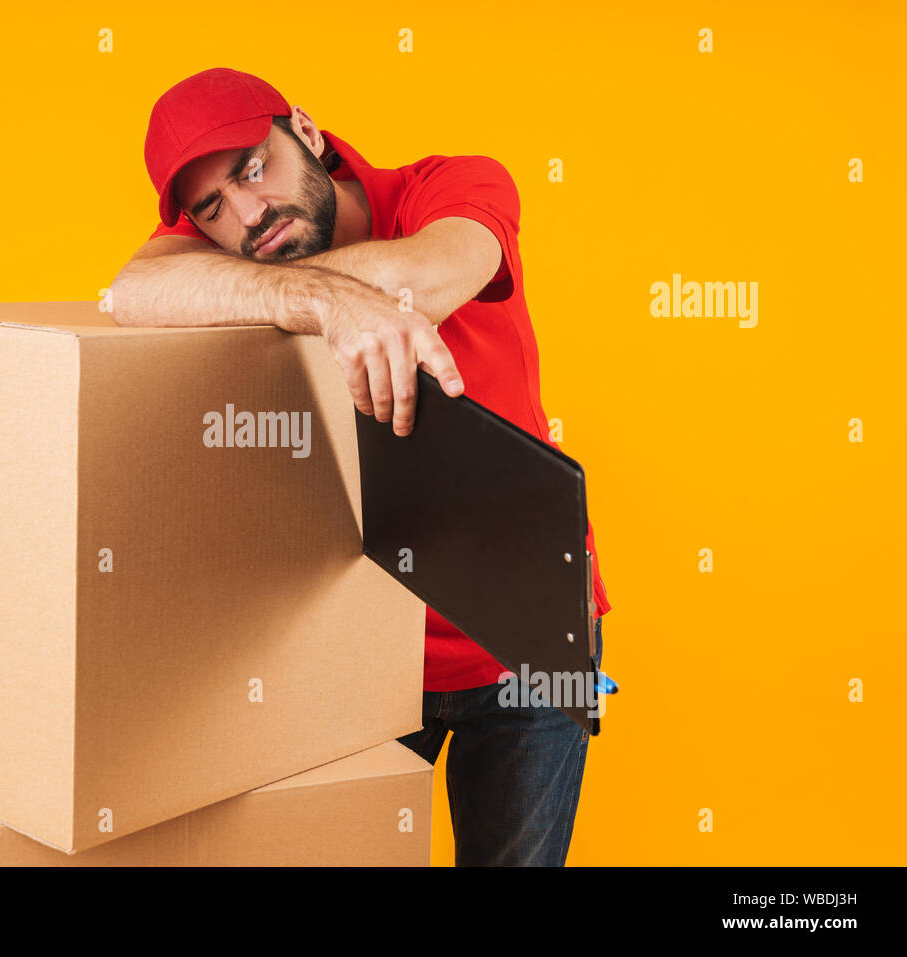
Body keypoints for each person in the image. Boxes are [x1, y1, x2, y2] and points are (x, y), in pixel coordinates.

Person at [110, 67, 611, 866]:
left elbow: (426, 278)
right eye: (211, 208)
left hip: (529, 637)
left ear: (306, 131)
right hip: (360, 648)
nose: (249, 214)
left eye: (251, 167)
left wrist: (273, 293)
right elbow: (130, 292)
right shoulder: (245, 248)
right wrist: (328, 305)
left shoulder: (452, 186)